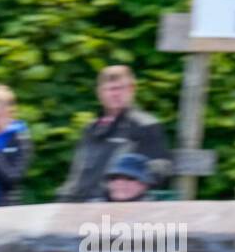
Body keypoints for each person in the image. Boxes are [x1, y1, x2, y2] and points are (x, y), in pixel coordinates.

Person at [57, 66, 171, 202]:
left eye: (121, 88)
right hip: (79, 203)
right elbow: (76, 173)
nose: (115, 94)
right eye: (110, 89)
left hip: (118, 205)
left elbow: (159, 170)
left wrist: (123, 187)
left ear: (132, 90)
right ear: (100, 93)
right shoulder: (91, 128)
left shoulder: (145, 125)